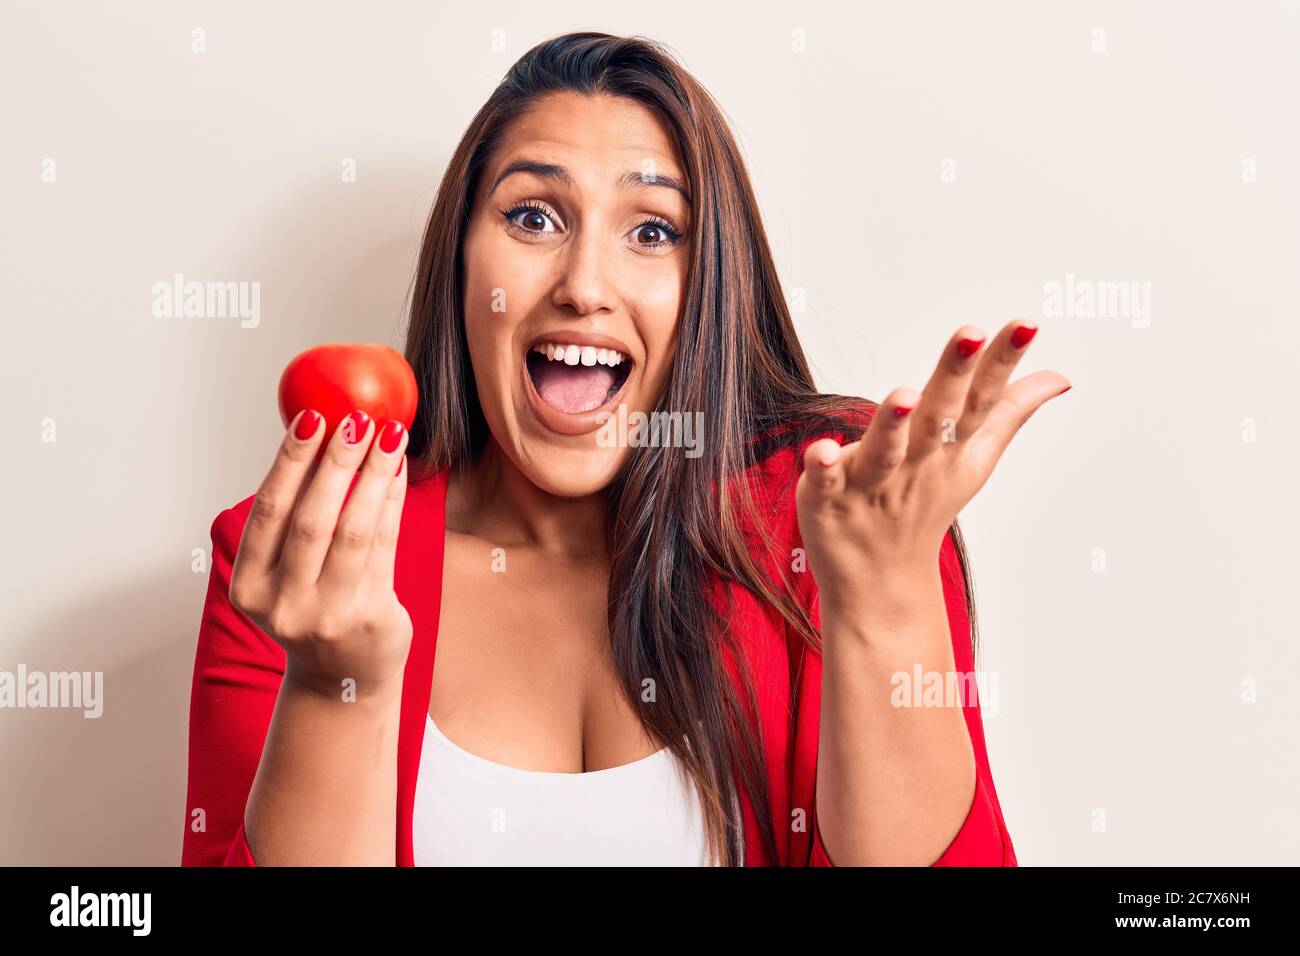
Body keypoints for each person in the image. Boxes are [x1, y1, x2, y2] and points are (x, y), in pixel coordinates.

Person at [183, 31, 1066, 867]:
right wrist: (340, 685)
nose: (583, 286)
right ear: (461, 264)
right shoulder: (302, 559)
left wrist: (886, 600)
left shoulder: (832, 515)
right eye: (532, 217)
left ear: (707, 287)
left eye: (651, 231)